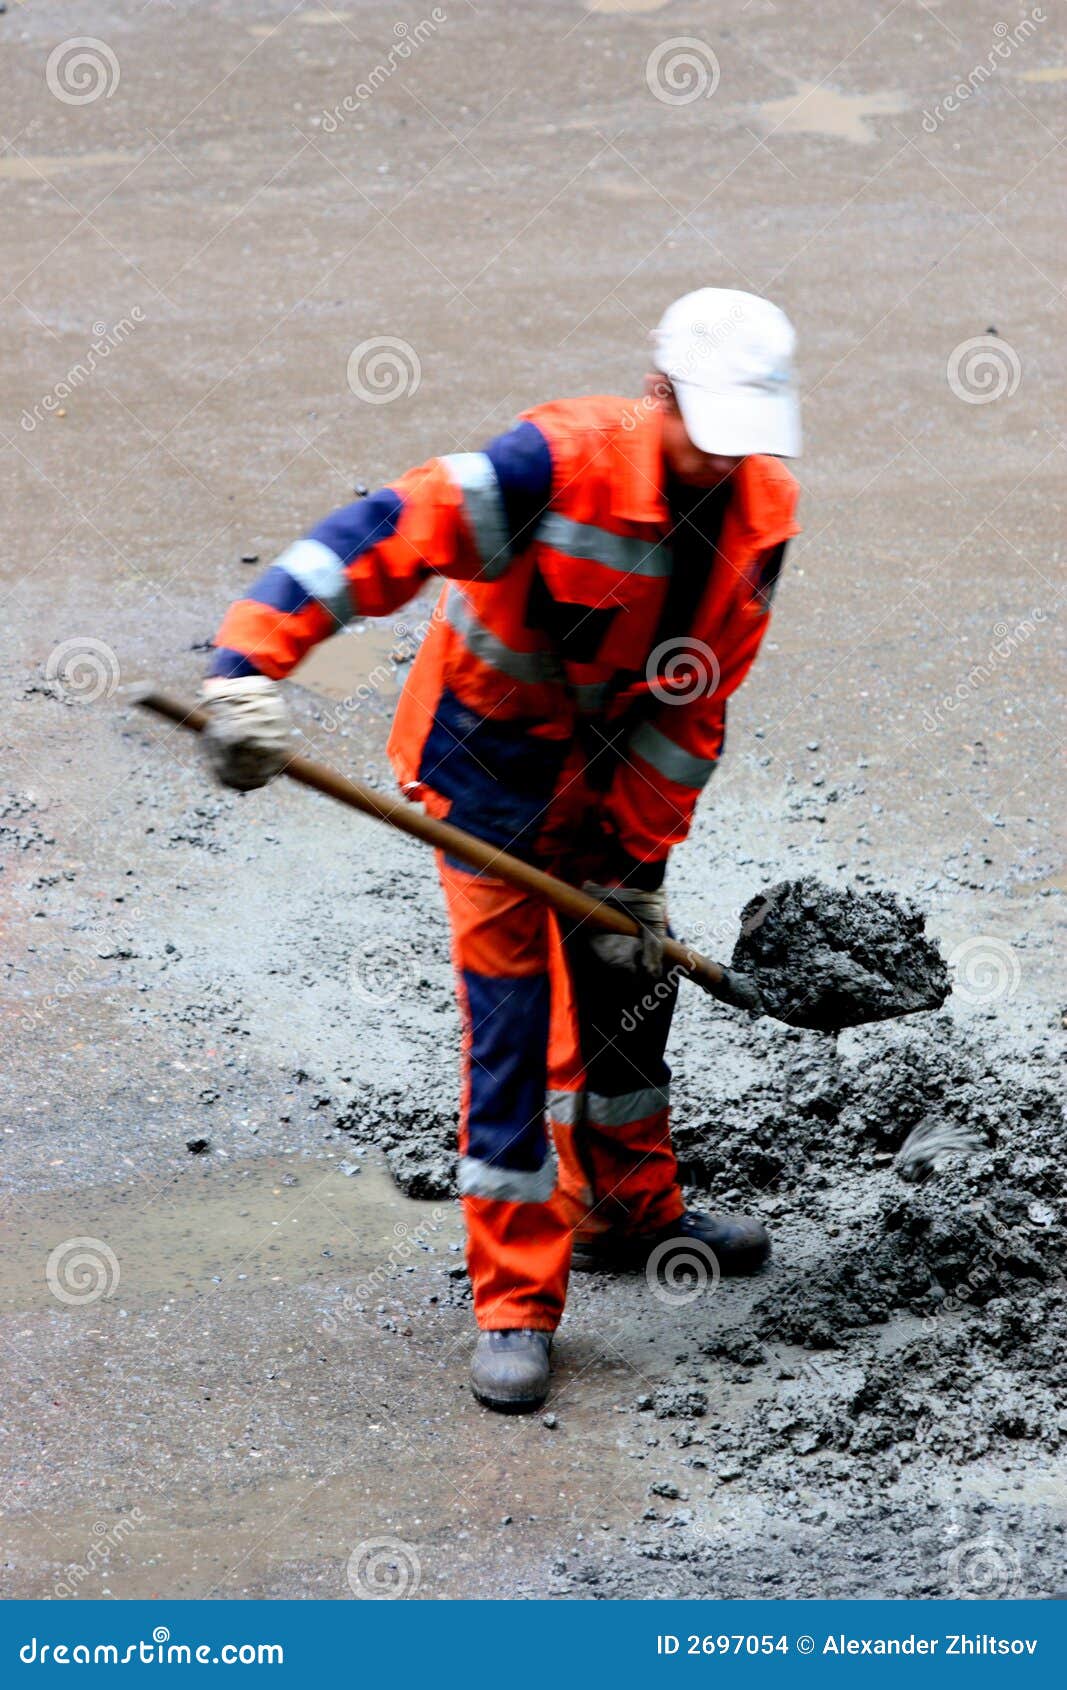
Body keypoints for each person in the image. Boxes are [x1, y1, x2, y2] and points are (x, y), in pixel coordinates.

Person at [202, 287, 802, 1413]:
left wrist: (635, 872)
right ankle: (516, 1302)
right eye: (705, 434)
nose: (725, 463)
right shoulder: (547, 465)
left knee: (632, 999)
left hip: (612, 782)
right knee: (513, 1026)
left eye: (745, 439)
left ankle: (628, 1212)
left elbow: (694, 705)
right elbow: (377, 534)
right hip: (488, 772)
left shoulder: (760, 512)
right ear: (655, 393)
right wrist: (246, 666)